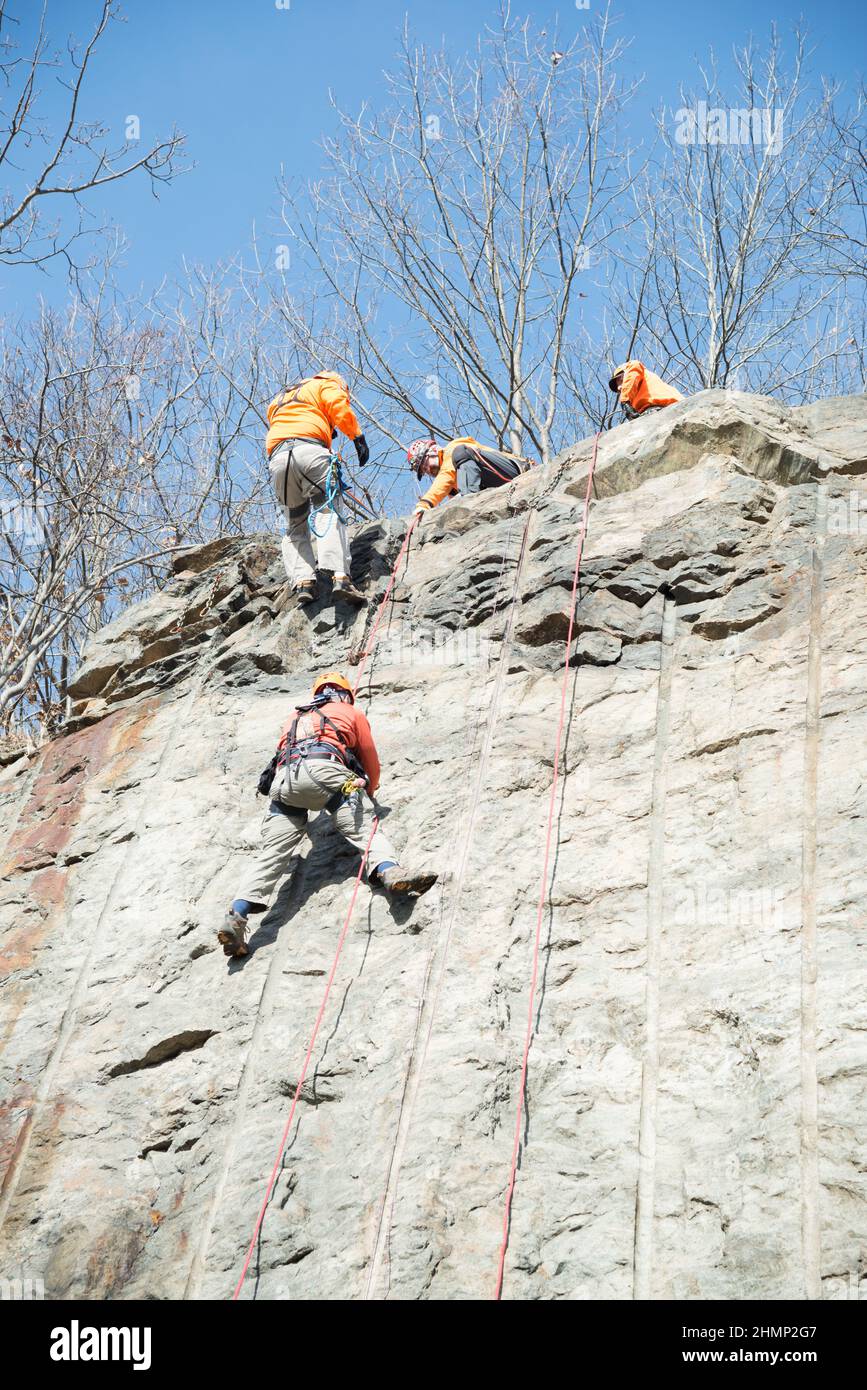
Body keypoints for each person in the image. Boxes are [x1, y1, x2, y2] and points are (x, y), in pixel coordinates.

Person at [218, 672, 437, 959]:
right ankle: (390, 872)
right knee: (363, 830)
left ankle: (237, 914)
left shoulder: (293, 719)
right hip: (325, 770)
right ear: (345, 694)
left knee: (271, 854)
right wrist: (369, 788)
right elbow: (369, 757)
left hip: (285, 782)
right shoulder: (349, 711)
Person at [266, 371, 369, 606]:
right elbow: (337, 406)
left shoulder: (280, 398)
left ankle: (303, 581)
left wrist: (323, 427)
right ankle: (340, 576)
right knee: (327, 511)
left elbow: (288, 422)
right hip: (312, 454)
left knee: (294, 526)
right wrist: (357, 436)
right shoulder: (328, 384)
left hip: (280, 462)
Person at [407, 436, 534, 515]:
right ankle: (472, 503)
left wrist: (426, 503)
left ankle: (471, 502)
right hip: (498, 487)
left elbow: (445, 476)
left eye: (424, 465)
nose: (426, 471)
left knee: (461, 452)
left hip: (515, 471)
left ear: (433, 451)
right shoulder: (456, 482)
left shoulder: (452, 449)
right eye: (423, 471)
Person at [608, 361, 681, 421]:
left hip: (657, 410)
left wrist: (625, 401)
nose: (619, 388)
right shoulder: (642, 389)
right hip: (677, 409)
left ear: (626, 373)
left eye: (620, 380)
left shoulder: (633, 367)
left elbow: (632, 373)